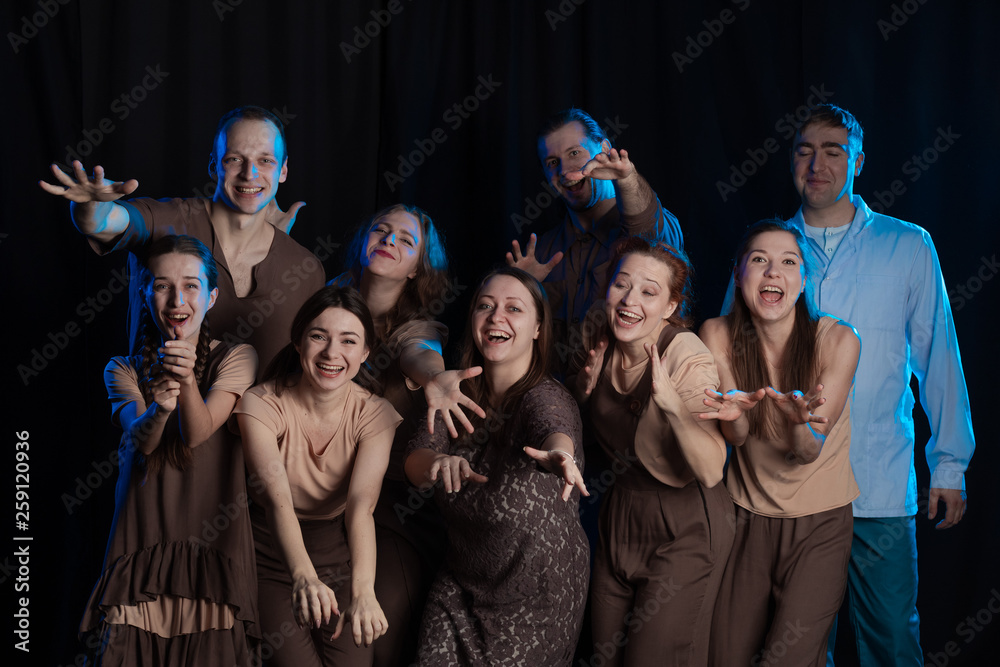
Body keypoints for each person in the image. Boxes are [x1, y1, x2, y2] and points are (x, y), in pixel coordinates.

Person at [720, 104, 976, 666]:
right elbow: (725, 360)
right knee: (797, 648)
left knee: (891, 640)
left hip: (876, 484)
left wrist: (950, 462)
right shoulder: (768, 248)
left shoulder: (908, 245)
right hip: (778, 489)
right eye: (805, 150)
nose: (817, 164)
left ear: (858, 161)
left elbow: (939, 358)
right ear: (790, 162)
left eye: (833, 150)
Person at [80, 235, 259, 666]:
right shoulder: (121, 368)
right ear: (145, 292)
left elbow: (198, 432)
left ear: (212, 296)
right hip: (140, 542)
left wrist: (188, 382)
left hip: (213, 550)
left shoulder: (238, 357)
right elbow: (143, 442)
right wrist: (160, 408)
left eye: (191, 286)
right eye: (162, 286)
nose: (177, 299)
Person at [39, 105, 324, 373]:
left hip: (265, 427)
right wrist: (90, 206)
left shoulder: (305, 268)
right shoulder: (168, 221)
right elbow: (105, 222)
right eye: (234, 159)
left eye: (265, 161)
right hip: (156, 421)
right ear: (213, 166)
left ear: (283, 169)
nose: (250, 173)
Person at [405, 266, 590, 666]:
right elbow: (416, 460)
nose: (496, 317)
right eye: (485, 306)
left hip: (536, 597)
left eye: (514, 309)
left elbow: (554, 429)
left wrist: (561, 454)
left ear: (539, 328)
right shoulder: (453, 389)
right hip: (461, 581)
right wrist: (437, 461)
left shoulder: (545, 396)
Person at [330, 204, 485, 667]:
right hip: (318, 489)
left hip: (392, 507)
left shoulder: (418, 326)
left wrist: (435, 377)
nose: (389, 240)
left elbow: (419, 351)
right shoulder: (326, 301)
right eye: (380, 230)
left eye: (405, 239)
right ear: (362, 241)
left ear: (418, 266)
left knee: (381, 617)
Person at [702, 220, 861, 666]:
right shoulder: (716, 333)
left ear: (803, 280)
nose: (774, 273)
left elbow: (808, 451)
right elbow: (736, 435)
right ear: (738, 274)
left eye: (788, 262)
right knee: (724, 656)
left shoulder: (839, 340)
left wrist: (798, 423)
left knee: (788, 658)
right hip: (747, 518)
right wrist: (734, 417)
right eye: (759, 261)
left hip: (820, 524)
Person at [569, 236, 732, 666]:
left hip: (684, 523)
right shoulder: (597, 332)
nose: (629, 301)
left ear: (671, 307)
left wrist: (675, 408)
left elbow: (713, 468)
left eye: (649, 291)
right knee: (603, 656)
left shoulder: (687, 355)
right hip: (621, 512)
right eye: (621, 284)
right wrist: (582, 394)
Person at [234, 286, 401, 666]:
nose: (331, 353)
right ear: (298, 341)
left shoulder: (375, 414)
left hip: (337, 555)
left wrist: (362, 591)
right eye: (318, 336)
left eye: (348, 340)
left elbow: (361, 508)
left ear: (365, 353)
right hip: (270, 556)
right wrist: (303, 577)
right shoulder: (259, 403)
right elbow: (277, 500)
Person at [507, 107, 683, 376]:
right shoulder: (540, 252)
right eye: (553, 162)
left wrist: (626, 179)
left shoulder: (655, 229)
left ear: (603, 148)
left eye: (575, 153)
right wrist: (519, 294)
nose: (565, 170)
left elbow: (646, 230)